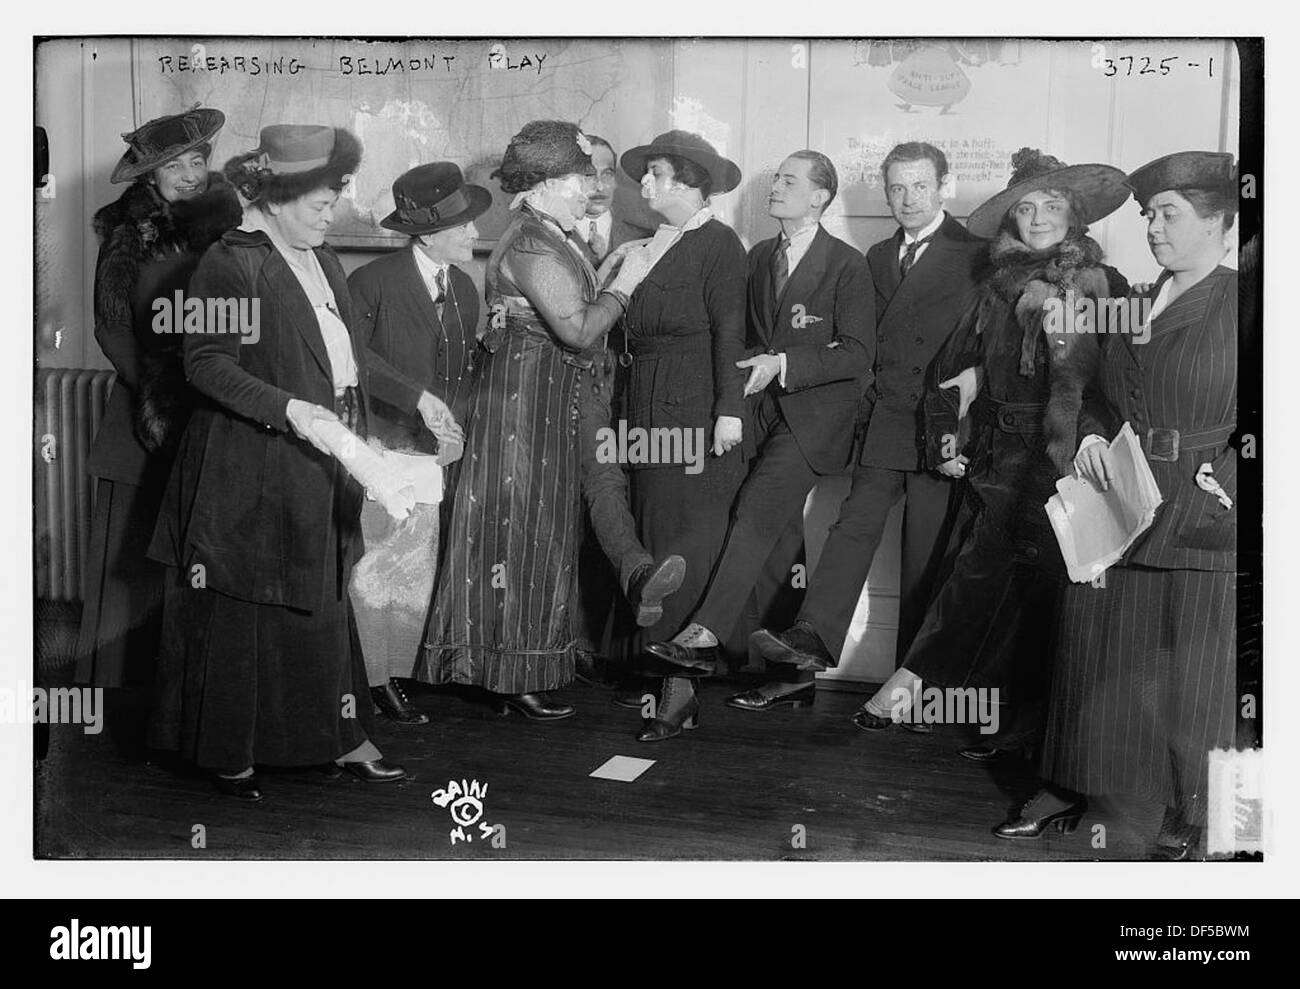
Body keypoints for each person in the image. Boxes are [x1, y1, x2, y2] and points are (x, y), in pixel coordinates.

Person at [148, 124, 406, 800]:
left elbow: (350, 355)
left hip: (320, 457)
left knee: (318, 594)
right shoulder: (230, 262)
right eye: (321, 203)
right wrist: (290, 409)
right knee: (245, 608)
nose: (332, 214)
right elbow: (205, 362)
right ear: (278, 196)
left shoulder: (316, 254)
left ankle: (337, 735)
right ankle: (228, 751)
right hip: (252, 461)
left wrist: (420, 398)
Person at [854, 149, 1130, 751]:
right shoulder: (998, 285)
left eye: (1051, 206)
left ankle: (914, 683)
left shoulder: (1106, 286)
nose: (1036, 219)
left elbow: (1113, 384)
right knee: (991, 577)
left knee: (1010, 578)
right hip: (996, 450)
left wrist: (1088, 433)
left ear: (1074, 214)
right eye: (1025, 207)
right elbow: (966, 366)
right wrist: (953, 423)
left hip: (1061, 458)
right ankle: (993, 716)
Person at [1006, 152, 1239, 860]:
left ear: (1221, 224)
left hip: (1207, 508)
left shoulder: (1252, 299)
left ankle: (1201, 809)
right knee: (1091, 650)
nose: (1153, 227)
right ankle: (1071, 781)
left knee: (1199, 673)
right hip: (1125, 500)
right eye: (1148, 214)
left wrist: (1234, 477)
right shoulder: (1135, 299)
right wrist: (1094, 435)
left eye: (1170, 214)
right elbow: (1101, 395)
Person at [417, 120, 656, 721]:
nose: (589, 190)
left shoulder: (548, 231)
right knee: (518, 531)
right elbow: (577, 328)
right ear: (547, 182)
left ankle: (510, 669)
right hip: (520, 411)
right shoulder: (530, 241)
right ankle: (506, 674)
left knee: (536, 531)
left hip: (541, 401)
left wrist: (610, 268)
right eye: (580, 179)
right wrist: (626, 283)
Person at [643, 150, 876, 718]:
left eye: (790, 182)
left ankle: (703, 638)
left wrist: (785, 365)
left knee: (754, 511)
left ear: (820, 196)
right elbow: (746, 336)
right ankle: (793, 675)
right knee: (777, 540)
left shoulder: (847, 264)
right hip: (762, 416)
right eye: (775, 179)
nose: (776, 188)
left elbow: (859, 353)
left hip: (814, 421)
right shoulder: (759, 255)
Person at [747, 142, 983, 701]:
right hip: (884, 419)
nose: (907, 199)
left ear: (944, 186)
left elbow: (990, 345)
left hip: (941, 425)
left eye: (920, 186)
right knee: (852, 527)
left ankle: (918, 692)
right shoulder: (876, 257)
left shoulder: (977, 255)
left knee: (925, 559)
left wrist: (969, 395)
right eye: (896, 188)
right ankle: (812, 637)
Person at [76, 106, 241, 687]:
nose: (189, 174)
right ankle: (121, 697)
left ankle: (182, 696)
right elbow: (109, 326)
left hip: (214, 407)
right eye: (173, 165)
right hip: (144, 420)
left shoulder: (224, 229)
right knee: (133, 560)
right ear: (150, 175)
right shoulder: (128, 233)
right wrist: (160, 391)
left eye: (196, 160)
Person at [610, 130, 749, 742]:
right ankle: (653, 668)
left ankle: (681, 689)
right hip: (642, 399)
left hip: (691, 401)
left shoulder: (720, 244)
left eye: (657, 174)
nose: (646, 184)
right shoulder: (645, 244)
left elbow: (729, 330)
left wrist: (729, 409)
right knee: (650, 527)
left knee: (681, 535)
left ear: (690, 184)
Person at [346, 162, 484, 725]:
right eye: (465, 226)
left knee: (415, 562)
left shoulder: (465, 288)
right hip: (381, 447)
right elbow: (354, 361)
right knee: (376, 564)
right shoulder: (371, 283)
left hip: (431, 454)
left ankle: (395, 671)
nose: (476, 234)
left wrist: (457, 430)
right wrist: (417, 400)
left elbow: (464, 373)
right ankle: (371, 677)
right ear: (428, 234)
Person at [565, 135, 680, 684]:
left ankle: (598, 640)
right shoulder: (543, 235)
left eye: (607, 174)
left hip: (625, 398)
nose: (598, 184)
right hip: (561, 391)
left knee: (610, 495)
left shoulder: (647, 240)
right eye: (587, 173)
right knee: (580, 500)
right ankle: (568, 637)